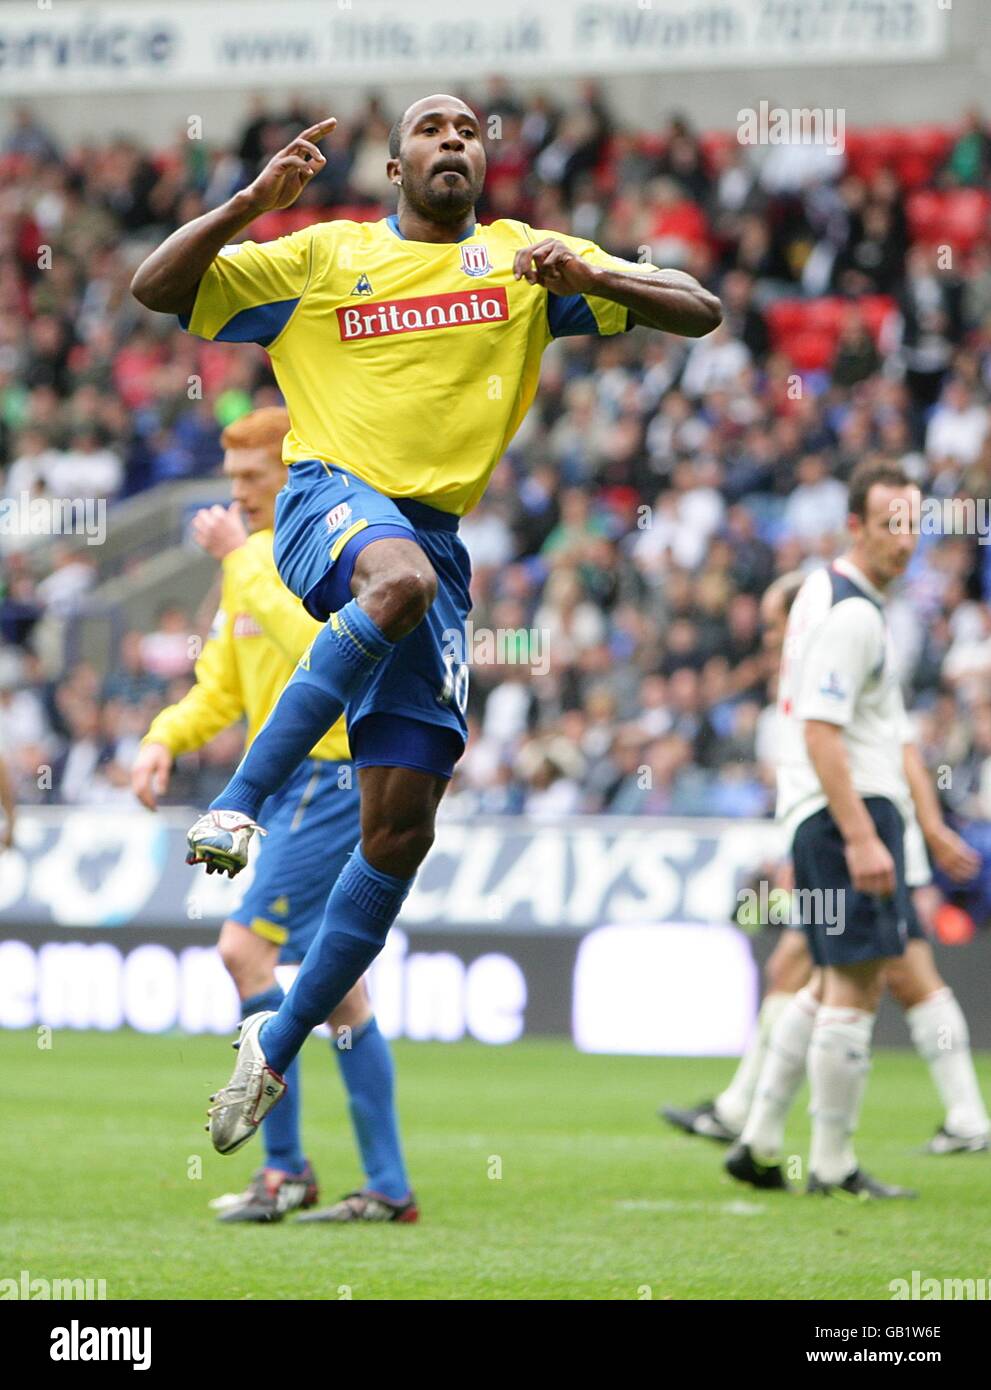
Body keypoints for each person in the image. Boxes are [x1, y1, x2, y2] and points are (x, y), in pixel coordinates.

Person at [130, 94, 722, 1154]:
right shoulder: (324, 254)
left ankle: (274, 1047)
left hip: (437, 549)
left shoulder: (522, 262)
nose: (454, 138)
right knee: (390, 580)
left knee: (400, 830)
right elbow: (156, 286)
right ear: (396, 166)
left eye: (468, 130)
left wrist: (597, 278)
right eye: (430, 129)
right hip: (333, 499)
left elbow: (700, 307)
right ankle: (237, 806)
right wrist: (250, 205)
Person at [131, 408, 416, 1223]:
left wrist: (243, 558)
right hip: (296, 789)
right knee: (344, 998)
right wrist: (161, 740)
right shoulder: (249, 564)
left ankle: (284, 1169)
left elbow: (325, 643)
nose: (240, 494)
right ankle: (387, 1188)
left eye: (254, 478)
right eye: (234, 479)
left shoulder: (308, 551)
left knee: (242, 949)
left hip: (328, 779)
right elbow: (221, 687)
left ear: (292, 474)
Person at [665, 572, 989, 1159]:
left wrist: (926, 828)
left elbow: (899, 748)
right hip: (841, 838)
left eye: (773, 624)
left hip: (862, 840)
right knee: (835, 972)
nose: (767, 638)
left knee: (850, 974)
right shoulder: (809, 673)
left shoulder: (837, 655)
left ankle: (770, 1128)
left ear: (802, 621)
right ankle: (755, 1121)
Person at [728, 461, 983, 1199]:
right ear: (855, 528)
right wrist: (867, 836)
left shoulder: (825, 593)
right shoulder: (855, 616)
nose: (902, 541)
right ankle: (831, 1163)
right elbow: (820, 733)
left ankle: (758, 1136)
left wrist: (922, 825)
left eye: (910, 525)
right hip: (849, 813)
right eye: (887, 526)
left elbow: (874, 730)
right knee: (856, 985)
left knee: (830, 977)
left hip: (828, 813)